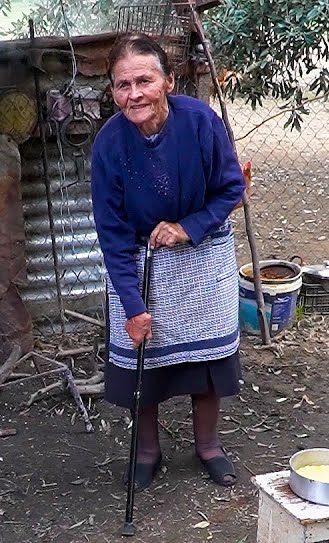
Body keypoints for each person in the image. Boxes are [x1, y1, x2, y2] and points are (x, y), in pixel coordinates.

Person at [91, 33, 247, 490]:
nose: (133, 94)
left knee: (206, 357)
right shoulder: (109, 145)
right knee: (143, 355)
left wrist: (188, 226)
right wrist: (133, 305)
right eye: (122, 85)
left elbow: (231, 188)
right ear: (113, 91)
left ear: (168, 81)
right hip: (140, 260)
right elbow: (113, 234)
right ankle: (146, 451)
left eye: (144, 80)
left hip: (202, 255)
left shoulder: (200, 121)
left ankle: (208, 445)